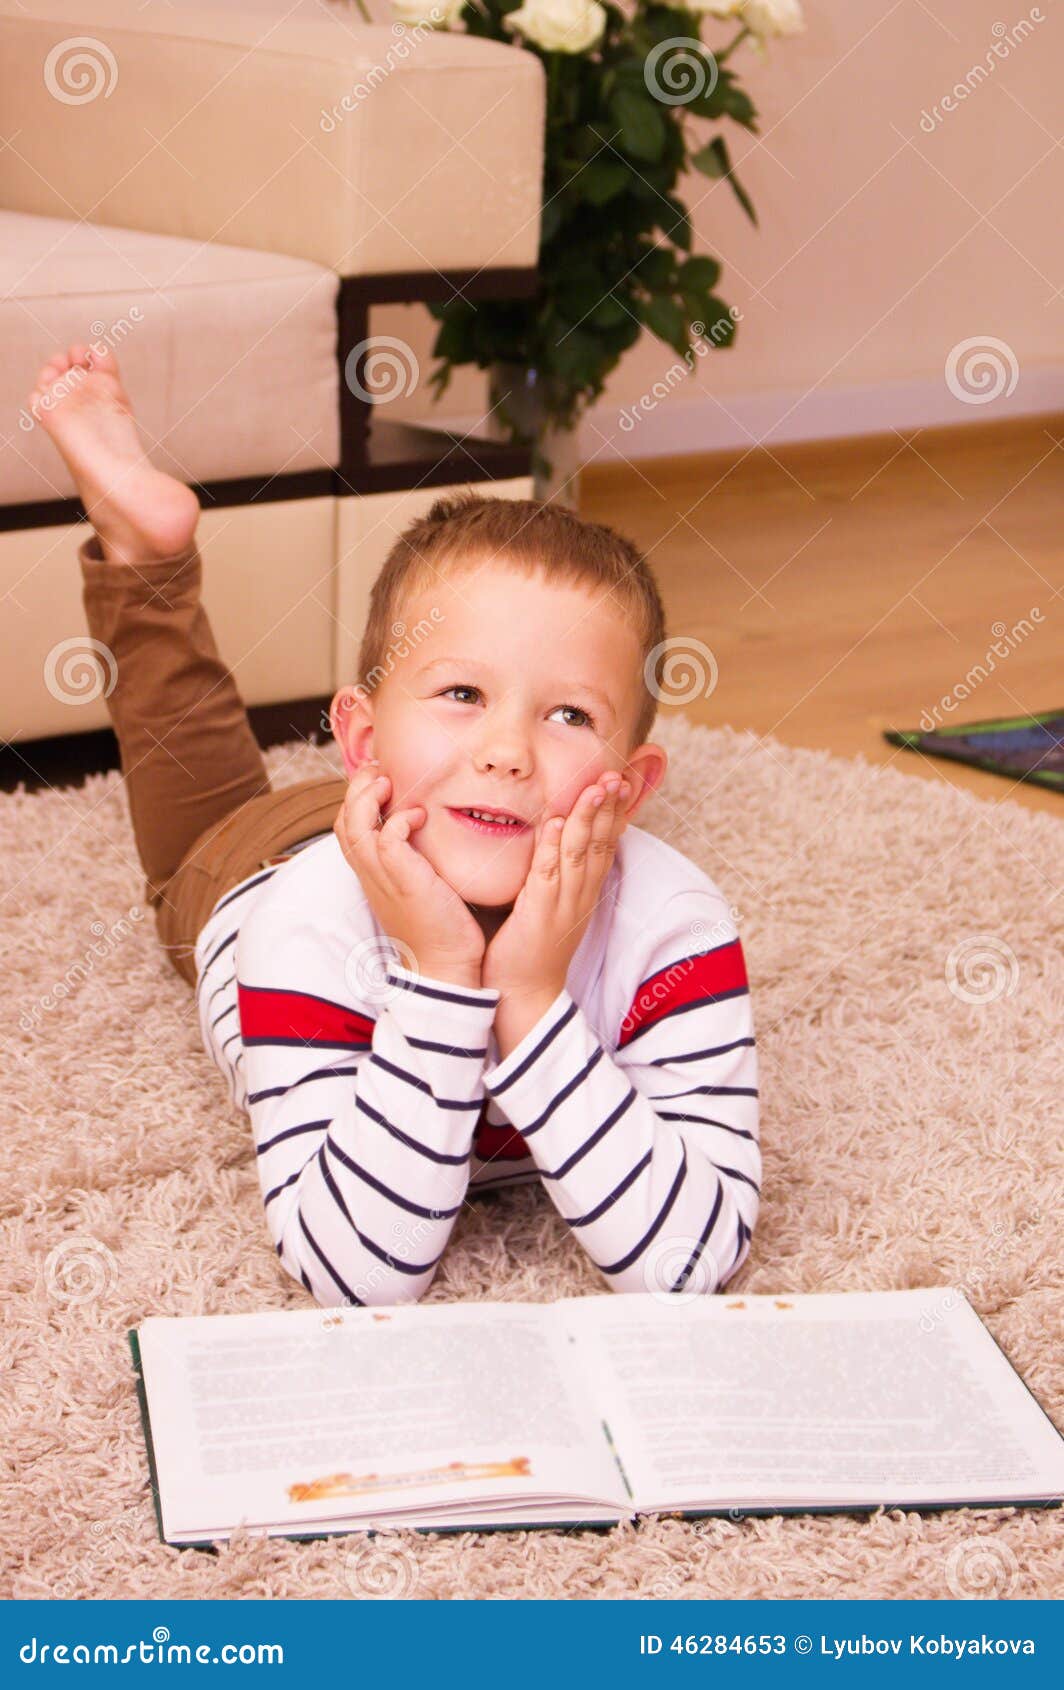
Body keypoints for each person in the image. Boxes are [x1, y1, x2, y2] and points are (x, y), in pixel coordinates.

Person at [29, 342, 761, 1309]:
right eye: (463, 691)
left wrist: (533, 996)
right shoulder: (299, 930)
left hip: (428, 806)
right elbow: (358, 1278)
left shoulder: (675, 924)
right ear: (362, 740)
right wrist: (444, 978)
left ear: (629, 787)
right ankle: (145, 558)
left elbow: (693, 1257)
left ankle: (156, 556)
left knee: (245, 774)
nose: (508, 751)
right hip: (272, 861)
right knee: (198, 813)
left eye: (569, 715)